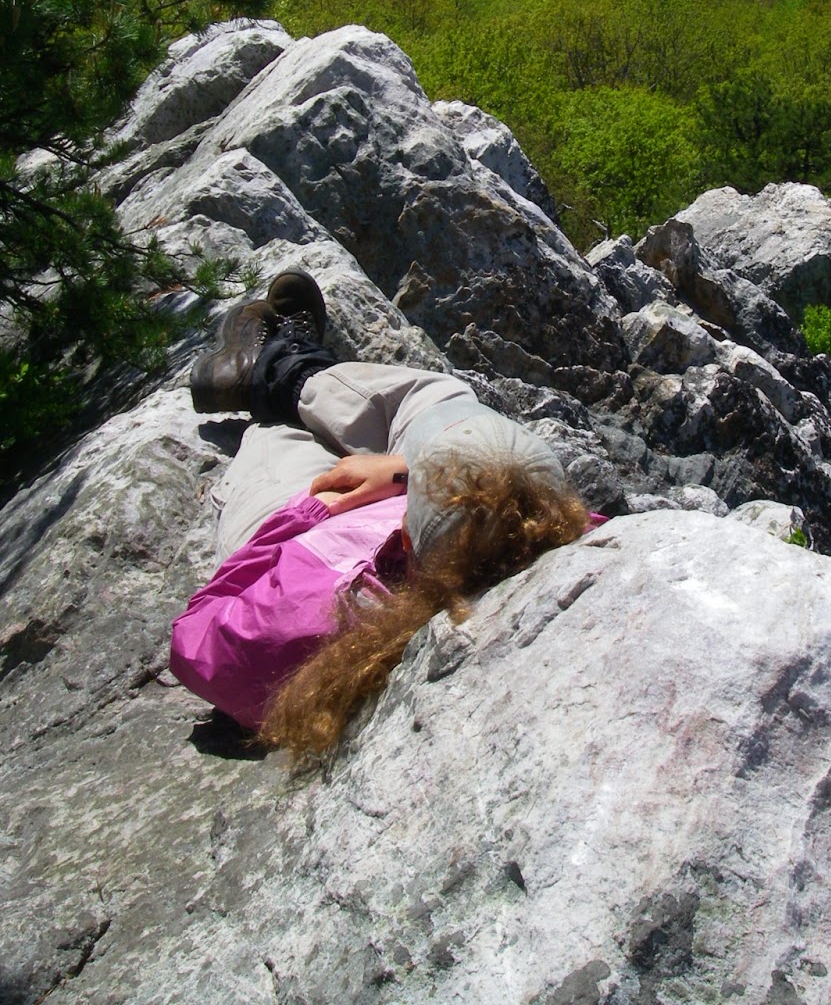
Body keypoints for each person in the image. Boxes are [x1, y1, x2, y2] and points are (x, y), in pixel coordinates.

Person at [170, 270, 590, 759]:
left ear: (407, 537)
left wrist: (312, 509)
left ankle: (275, 379)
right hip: (412, 505)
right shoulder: (545, 530)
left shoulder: (311, 611)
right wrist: (404, 473)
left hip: (307, 534)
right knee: (444, 399)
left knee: (278, 437)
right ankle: (291, 372)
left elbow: (196, 635)